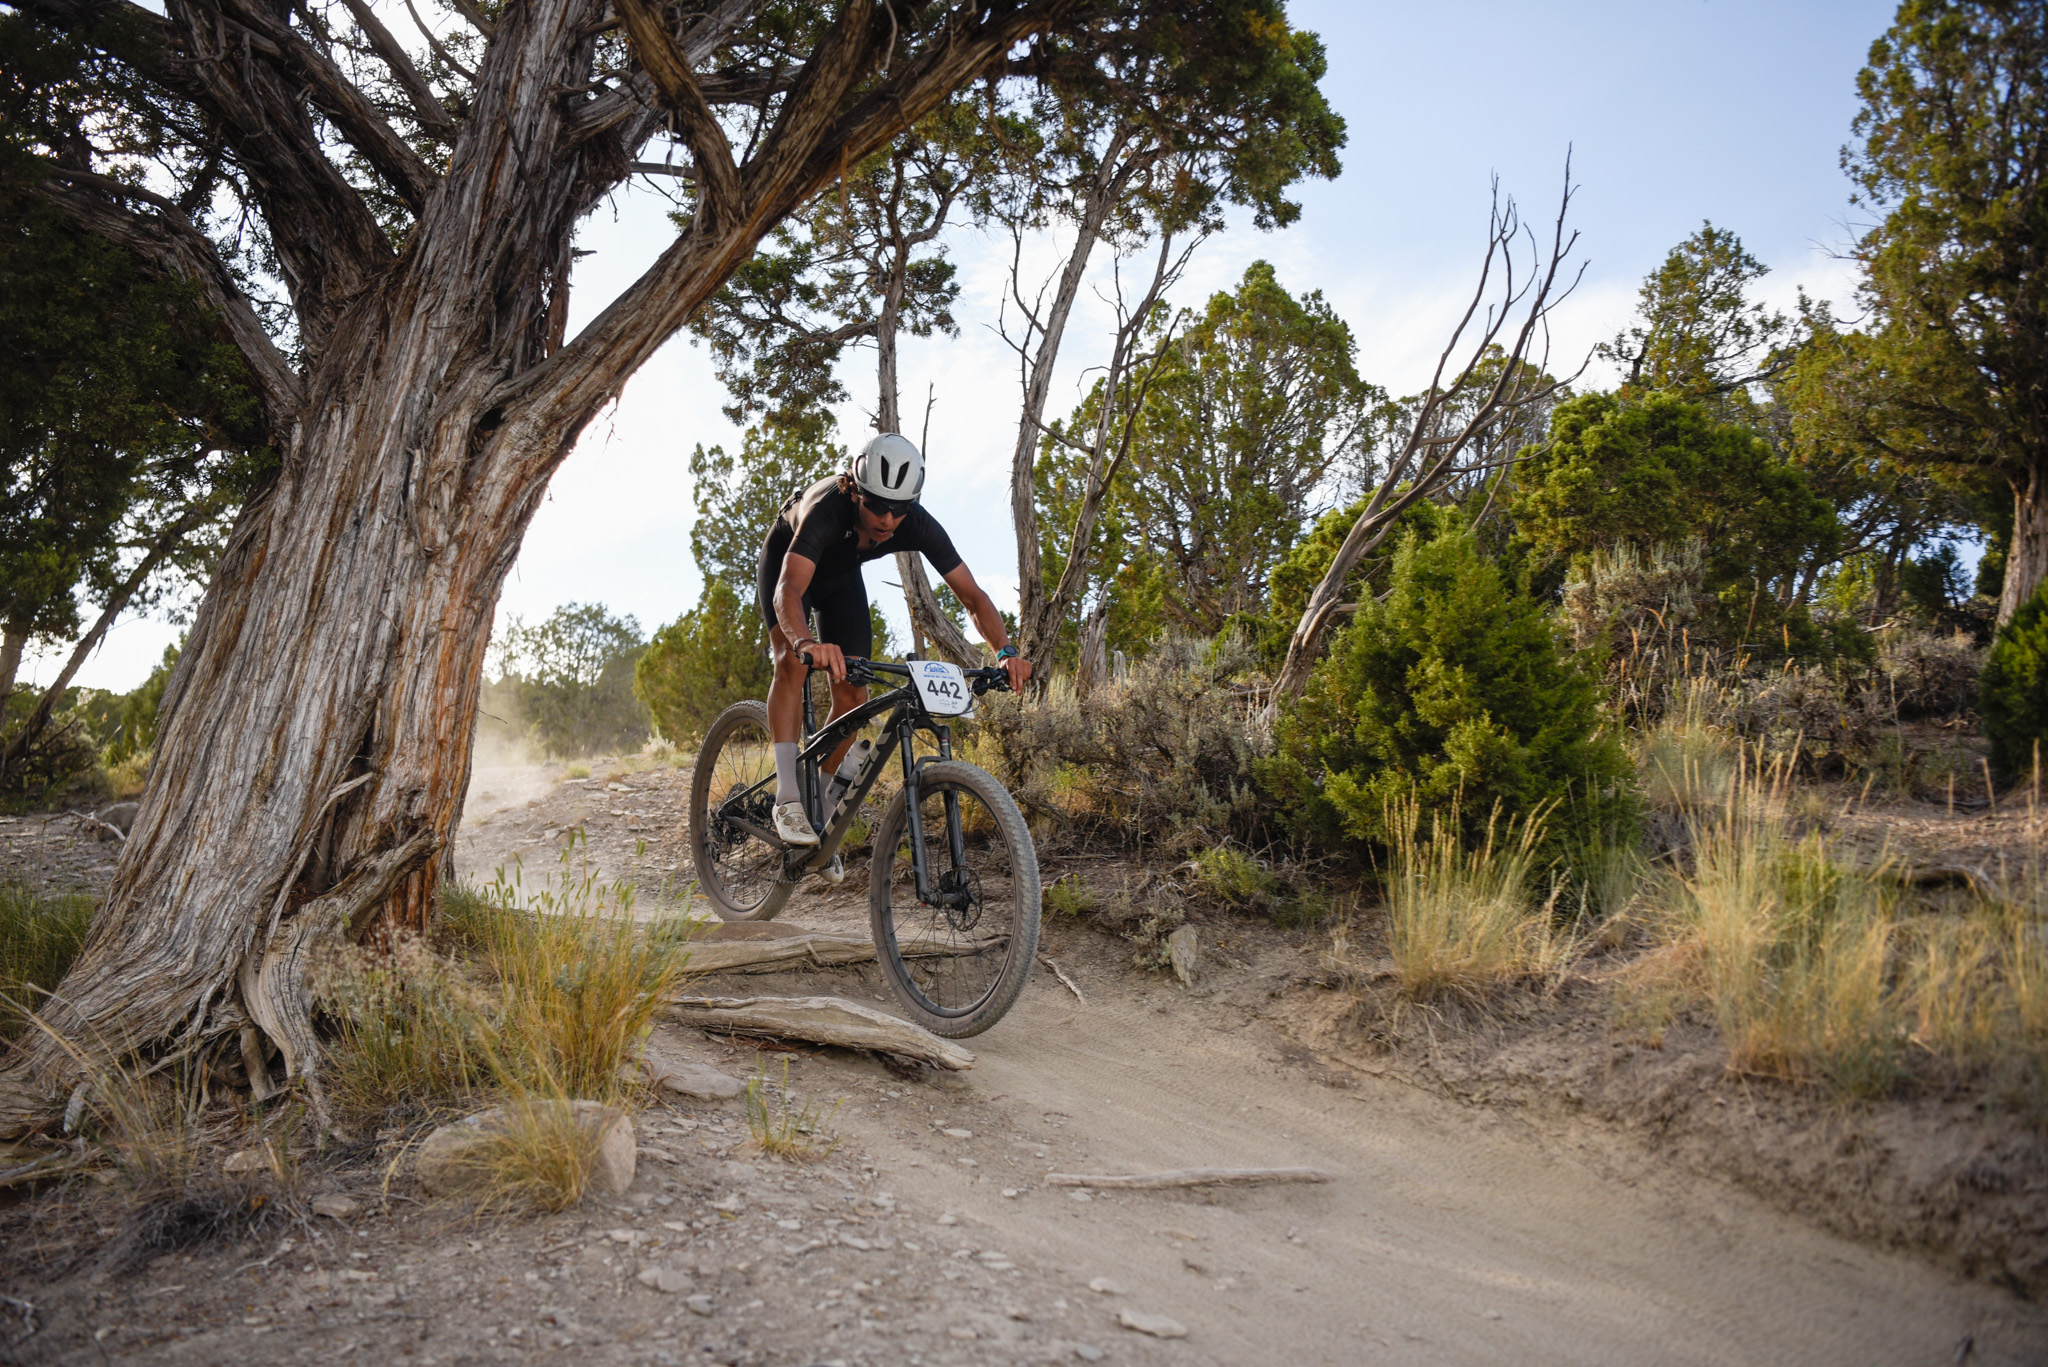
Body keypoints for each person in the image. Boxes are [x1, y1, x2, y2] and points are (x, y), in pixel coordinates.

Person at [758, 433, 1032, 867]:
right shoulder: (826, 511)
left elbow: (973, 596)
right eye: (878, 506)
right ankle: (788, 796)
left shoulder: (915, 522)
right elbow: (787, 591)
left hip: (841, 575)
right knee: (791, 661)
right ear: (855, 490)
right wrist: (805, 641)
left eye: (899, 509)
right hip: (789, 565)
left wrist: (1005, 651)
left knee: (854, 694)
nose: (888, 519)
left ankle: (824, 805)